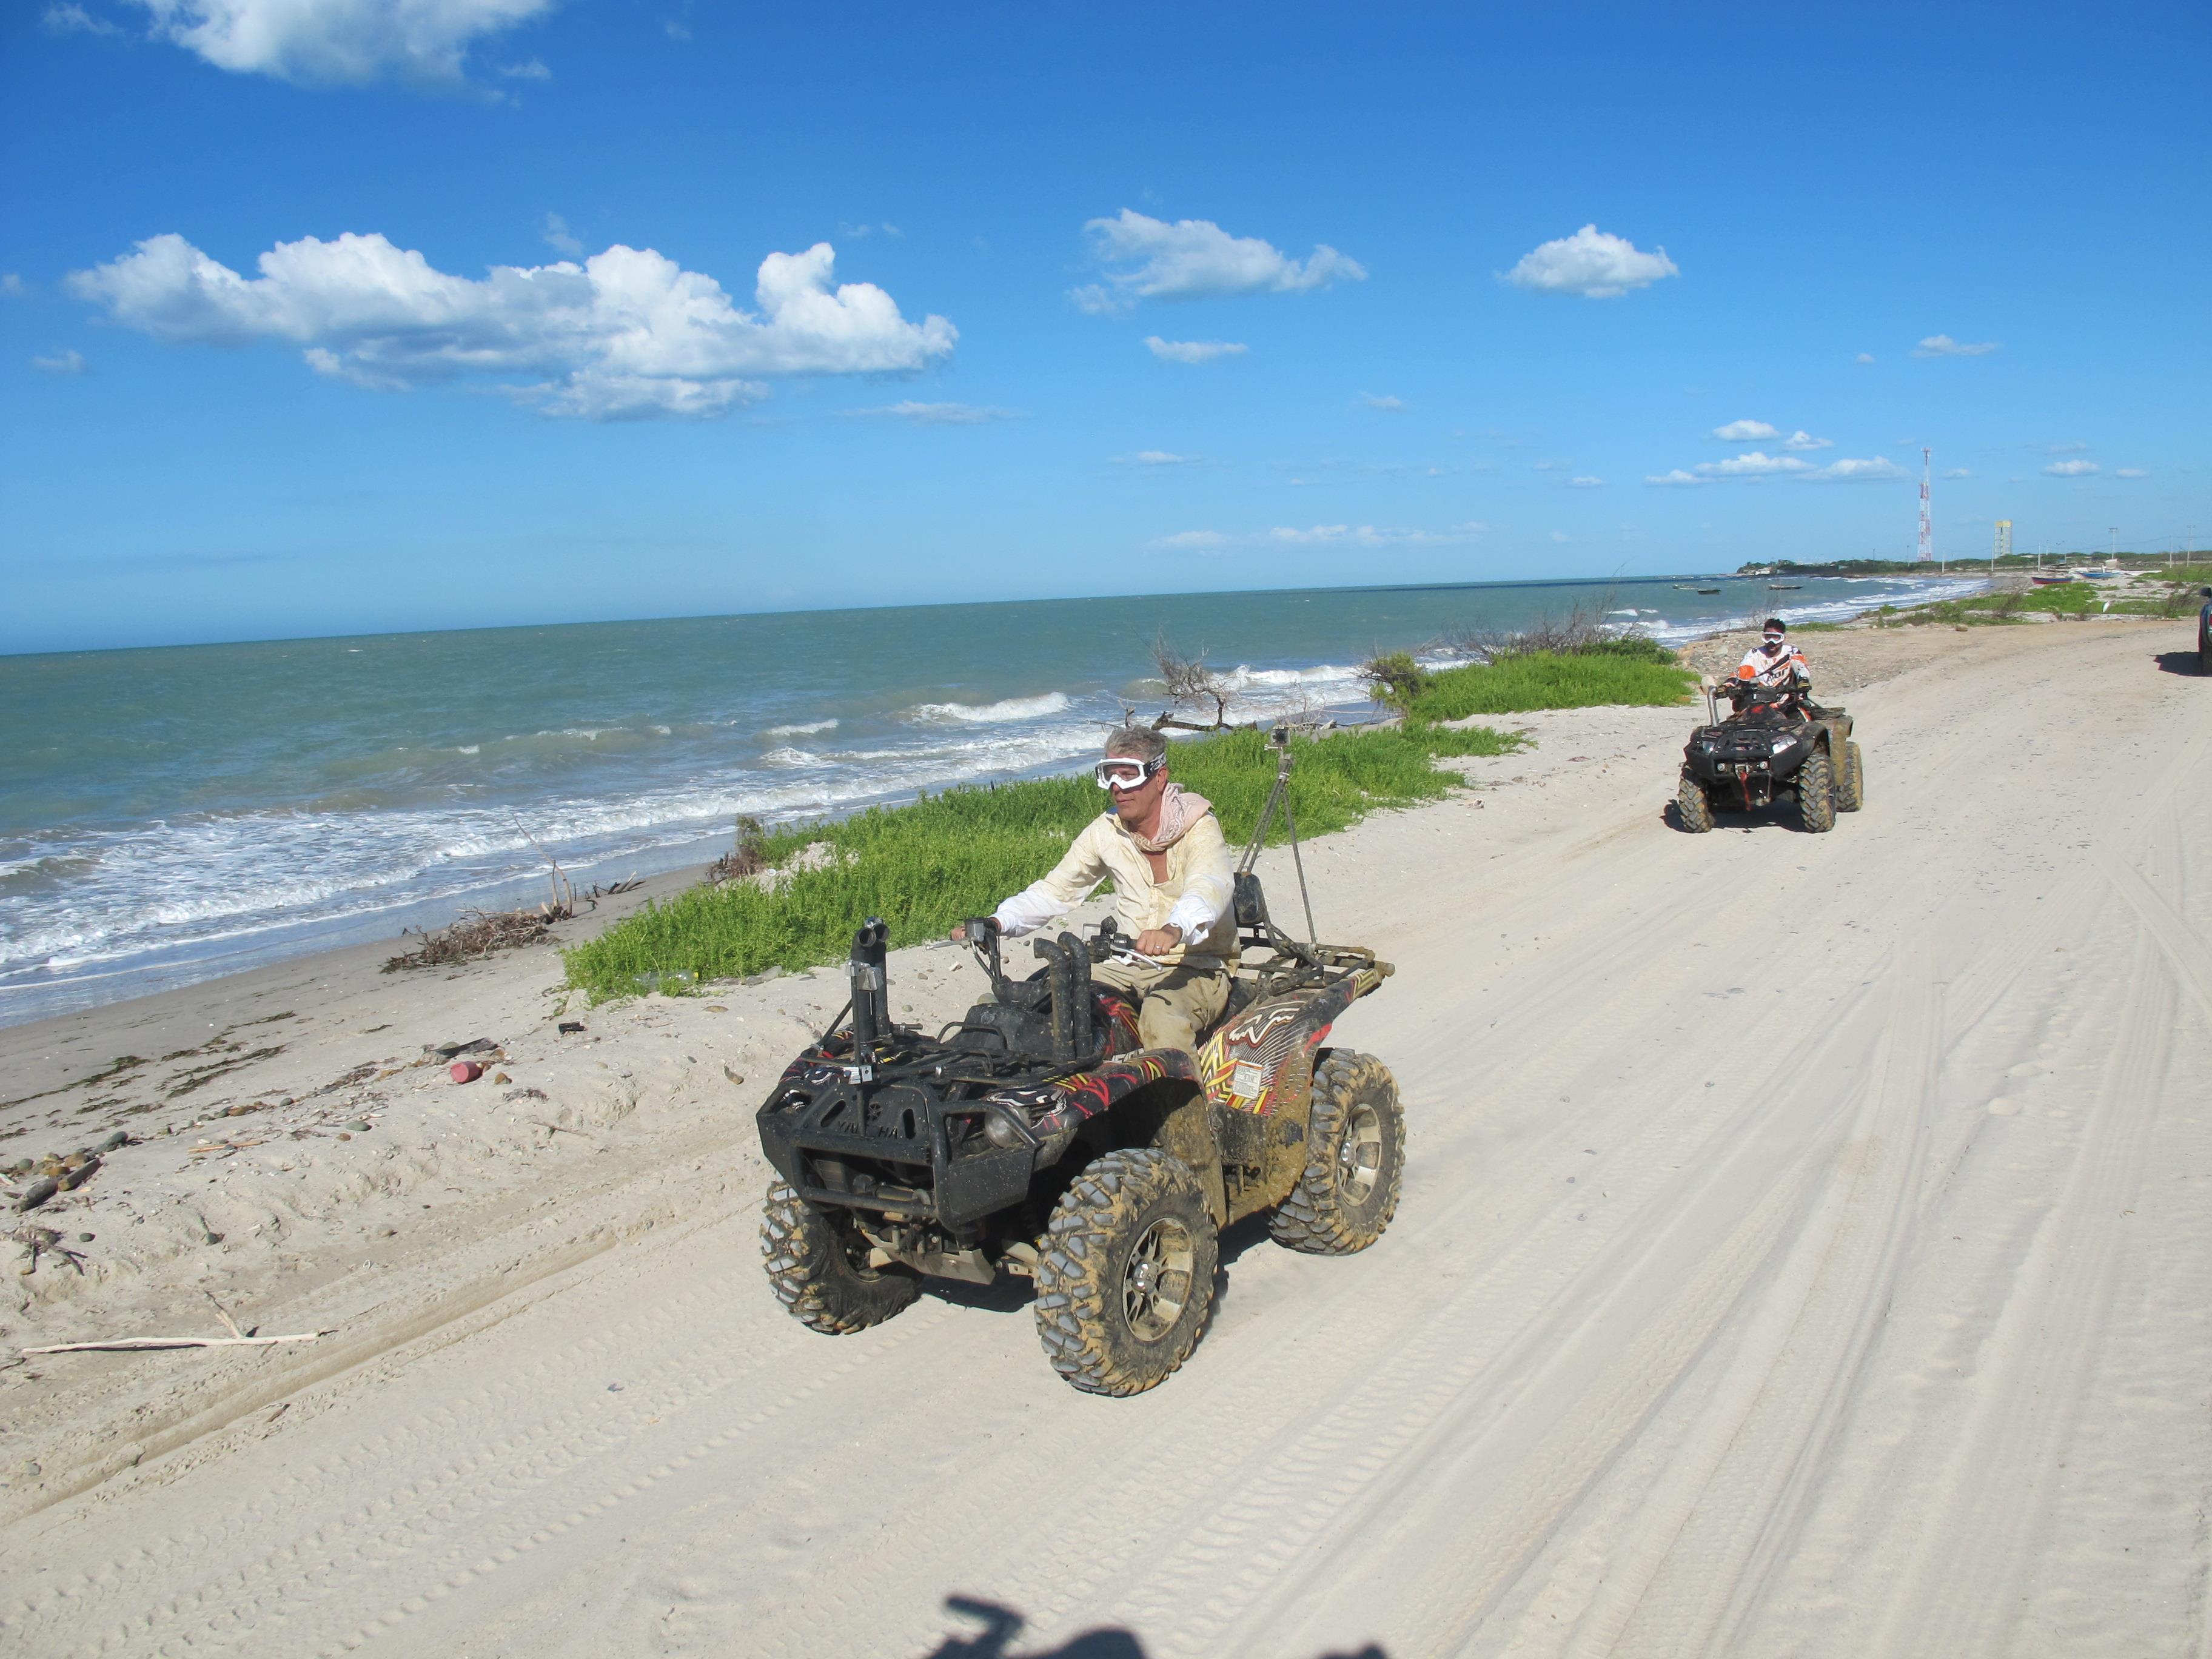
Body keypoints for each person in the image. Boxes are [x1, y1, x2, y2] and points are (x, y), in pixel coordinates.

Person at [957, 725, 1236, 1054]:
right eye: (1109, 775)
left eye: (1128, 774)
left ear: (1160, 778)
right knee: (1048, 1001)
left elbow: (1210, 884)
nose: (1117, 787)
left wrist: (1174, 928)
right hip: (1127, 963)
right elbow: (1056, 889)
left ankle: (1184, 1103)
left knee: (1161, 1020)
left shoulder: (1199, 826)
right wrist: (998, 922)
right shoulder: (1106, 830)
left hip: (1196, 966)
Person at [1735, 618, 1810, 703]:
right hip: (1759, 699)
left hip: (1788, 700)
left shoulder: (1792, 652)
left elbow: (1800, 666)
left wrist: (1803, 680)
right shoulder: (1754, 653)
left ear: (1783, 638)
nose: (1772, 642)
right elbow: (1743, 671)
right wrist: (1728, 685)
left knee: (1804, 711)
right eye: (1768, 637)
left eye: (1776, 638)